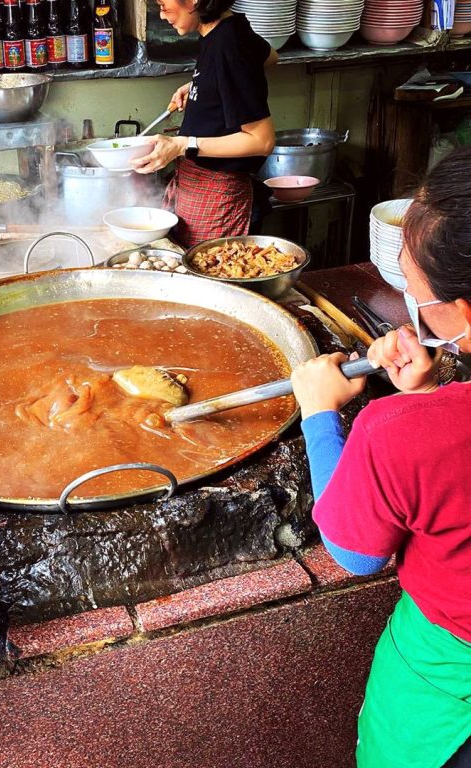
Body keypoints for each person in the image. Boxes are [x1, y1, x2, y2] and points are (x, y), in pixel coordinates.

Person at [290, 146, 471, 768]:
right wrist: (429, 393)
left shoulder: (399, 432)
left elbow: (354, 552)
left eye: (414, 292)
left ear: (462, 314)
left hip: (451, 686)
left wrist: (320, 413)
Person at [132, 0, 277, 248]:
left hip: (218, 199)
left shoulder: (227, 43)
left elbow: (262, 141)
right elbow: (270, 57)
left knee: (211, 275)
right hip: (200, 190)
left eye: (164, 5)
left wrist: (182, 145)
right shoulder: (228, 29)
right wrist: (209, 84)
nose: (163, 16)